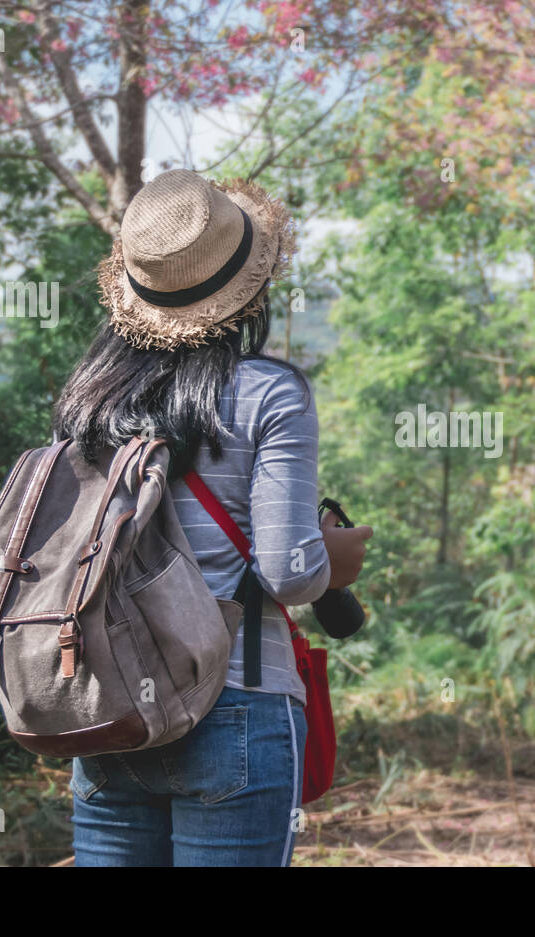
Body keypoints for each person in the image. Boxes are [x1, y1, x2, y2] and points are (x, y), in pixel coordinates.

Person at [50, 169, 372, 866]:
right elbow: (288, 575)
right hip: (237, 703)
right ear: (249, 289)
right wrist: (332, 560)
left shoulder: (88, 399)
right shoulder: (268, 393)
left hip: (108, 710)